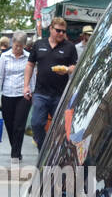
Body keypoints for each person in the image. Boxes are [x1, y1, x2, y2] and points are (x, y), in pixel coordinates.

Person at [24, 17, 78, 151]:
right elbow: (30, 65)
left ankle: (59, 151)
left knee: (62, 128)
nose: (61, 34)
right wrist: (26, 86)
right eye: (58, 30)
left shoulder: (69, 47)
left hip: (60, 95)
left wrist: (66, 70)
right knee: (36, 124)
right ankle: (43, 149)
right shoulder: (39, 45)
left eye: (63, 31)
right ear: (51, 29)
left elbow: (74, 67)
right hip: (40, 93)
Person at [0, 32, 32, 163]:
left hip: (23, 95)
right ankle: (16, 149)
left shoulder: (28, 57)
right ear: (12, 44)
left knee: (19, 126)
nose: (18, 49)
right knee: (9, 124)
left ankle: (15, 154)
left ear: (24, 45)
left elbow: (32, 76)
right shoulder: (4, 56)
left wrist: (32, 91)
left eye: (21, 46)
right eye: (16, 46)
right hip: (8, 94)